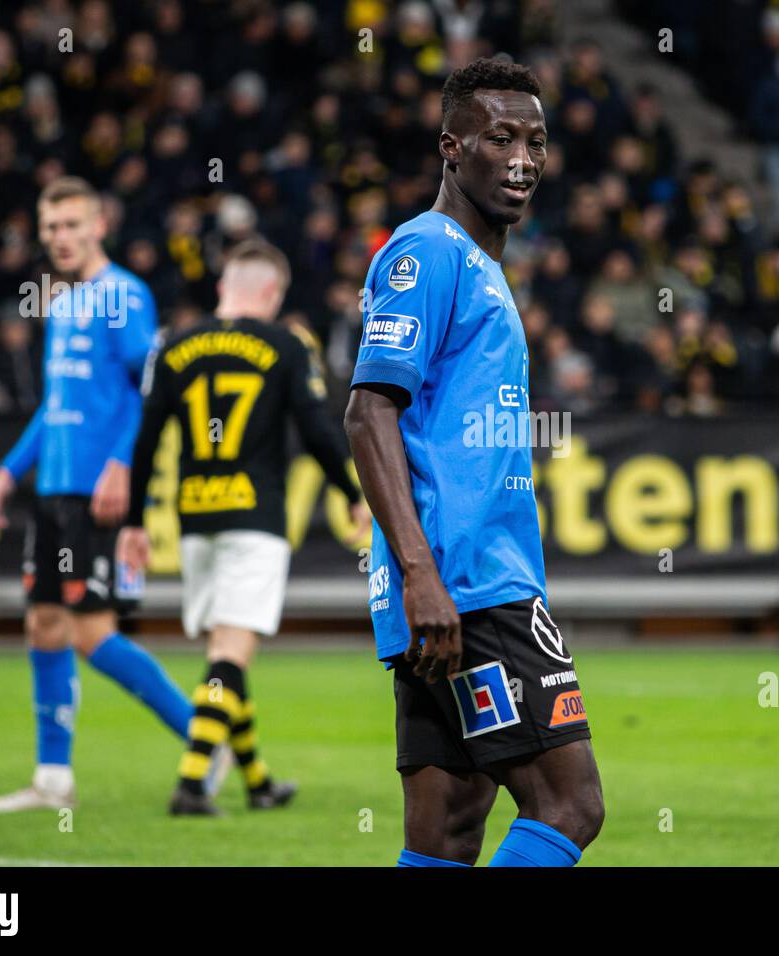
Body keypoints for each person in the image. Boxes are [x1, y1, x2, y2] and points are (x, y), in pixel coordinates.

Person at [343, 57, 605, 867]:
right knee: (570, 805)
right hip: (469, 584)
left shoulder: (477, 264)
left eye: (536, 141)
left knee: (451, 823)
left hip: (445, 587)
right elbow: (367, 411)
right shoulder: (427, 252)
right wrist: (423, 574)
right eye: (501, 138)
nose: (524, 159)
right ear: (452, 147)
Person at [118, 237, 369, 815]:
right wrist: (352, 491)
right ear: (273, 293)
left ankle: (257, 782)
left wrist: (134, 521)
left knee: (226, 649)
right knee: (230, 651)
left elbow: (146, 438)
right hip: (254, 516)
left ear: (224, 285)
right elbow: (315, 427)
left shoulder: (173, 345)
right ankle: (190, 782)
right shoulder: (286, 344)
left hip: (194, 514)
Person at [0, 176, 201, 812]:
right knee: (44, 625)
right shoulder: (64, 302)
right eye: (50, 227)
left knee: (90, 631)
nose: (60, 237)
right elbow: (54, 407)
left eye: (72, 224)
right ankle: (53, 781)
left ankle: (201, 741)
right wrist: (6, 472)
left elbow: (149, 389)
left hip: (96, 493)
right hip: (51, 490)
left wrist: (122, 466)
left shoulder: (125, 296)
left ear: (99, 225)